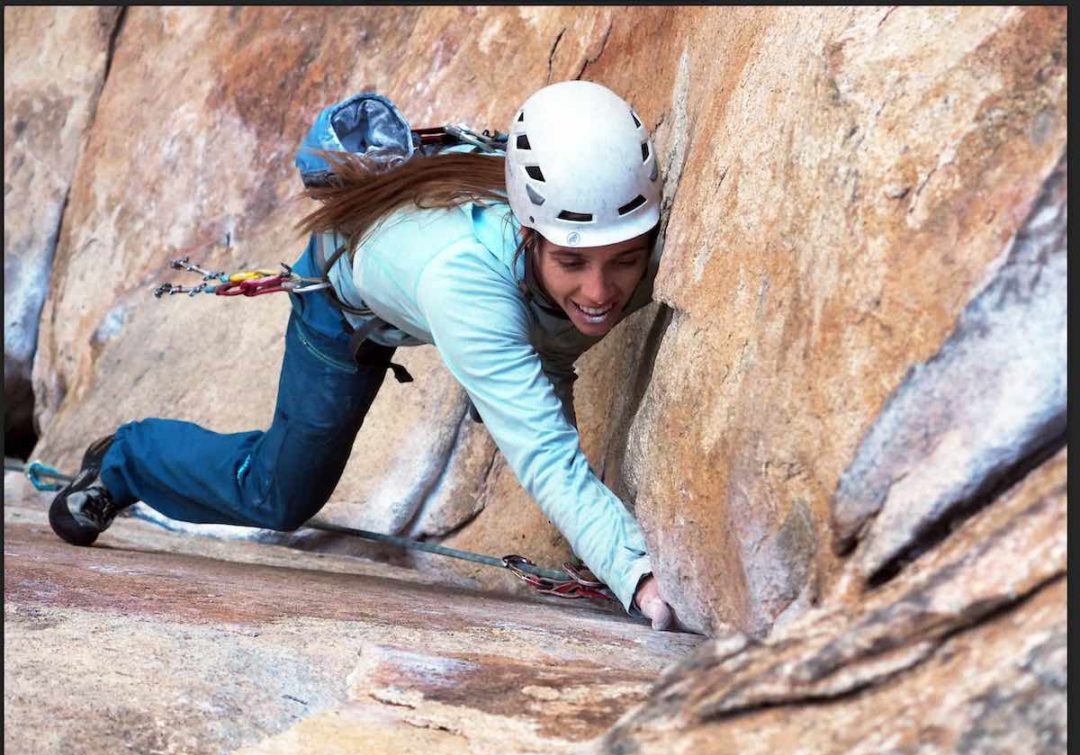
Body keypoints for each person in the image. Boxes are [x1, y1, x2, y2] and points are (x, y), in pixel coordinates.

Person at [47, 80, 675, 631]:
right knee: (279, 498)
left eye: (624, 260)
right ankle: (126, 461)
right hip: (340, 303)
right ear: (530, 232)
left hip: (454, 286)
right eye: (573, 262)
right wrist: (637, 573)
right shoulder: (463, 283)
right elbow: (543, 448)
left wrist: (607, 552)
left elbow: (554, 351)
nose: (600, 293)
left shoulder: (577, 241)